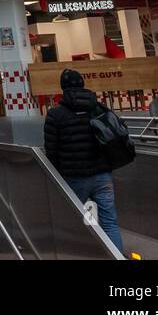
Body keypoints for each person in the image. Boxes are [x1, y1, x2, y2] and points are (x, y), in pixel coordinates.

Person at [44, 68, 125, 253]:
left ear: (63, 88)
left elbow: (52, 150)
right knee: (109, 222)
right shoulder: (98, 108)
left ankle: (86, 254)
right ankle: (116, 257)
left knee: (74, 220)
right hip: (102, 175)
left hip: (74, 177)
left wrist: (58, 173)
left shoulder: (55, 115)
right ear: (82, 84)